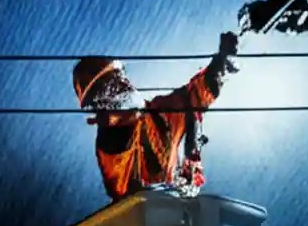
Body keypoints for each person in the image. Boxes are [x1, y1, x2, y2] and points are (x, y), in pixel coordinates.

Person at [73, 32, 240, 200]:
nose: (123, 83)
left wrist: (221, 60)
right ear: (100, 103)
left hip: (176, 209)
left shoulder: (159, 114)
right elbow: (117, 133)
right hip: (139, 220)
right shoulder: (110, 142)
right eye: (111, 85)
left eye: (120, 76)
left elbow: (195, 94)